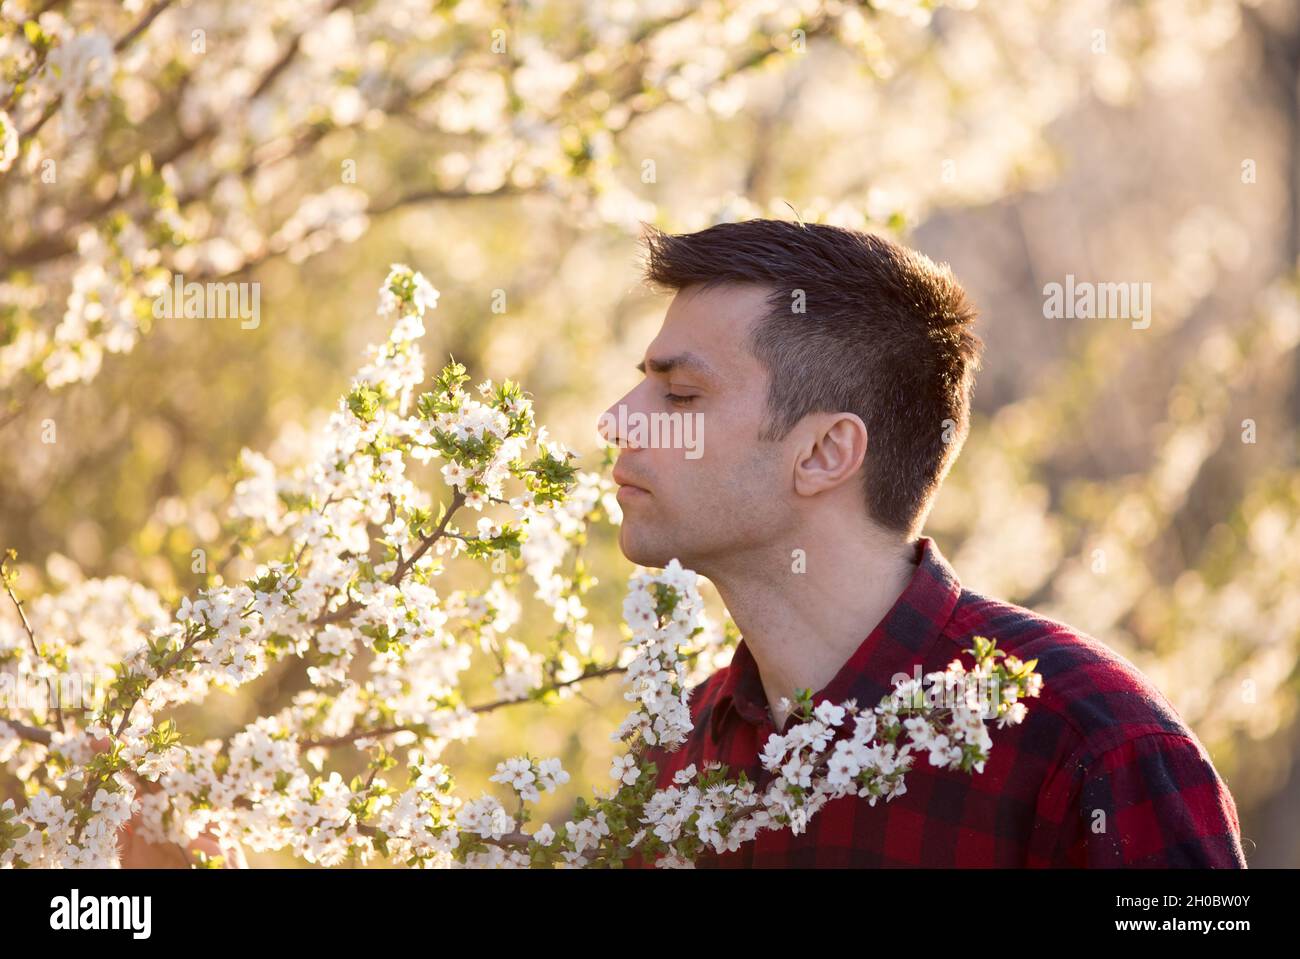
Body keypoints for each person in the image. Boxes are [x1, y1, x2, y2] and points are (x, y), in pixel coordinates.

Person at [601, 218, 1247, 868]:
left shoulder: (1094, 747)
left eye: (680, 394)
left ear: (825, 452)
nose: (615, 420)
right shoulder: (674, 755)